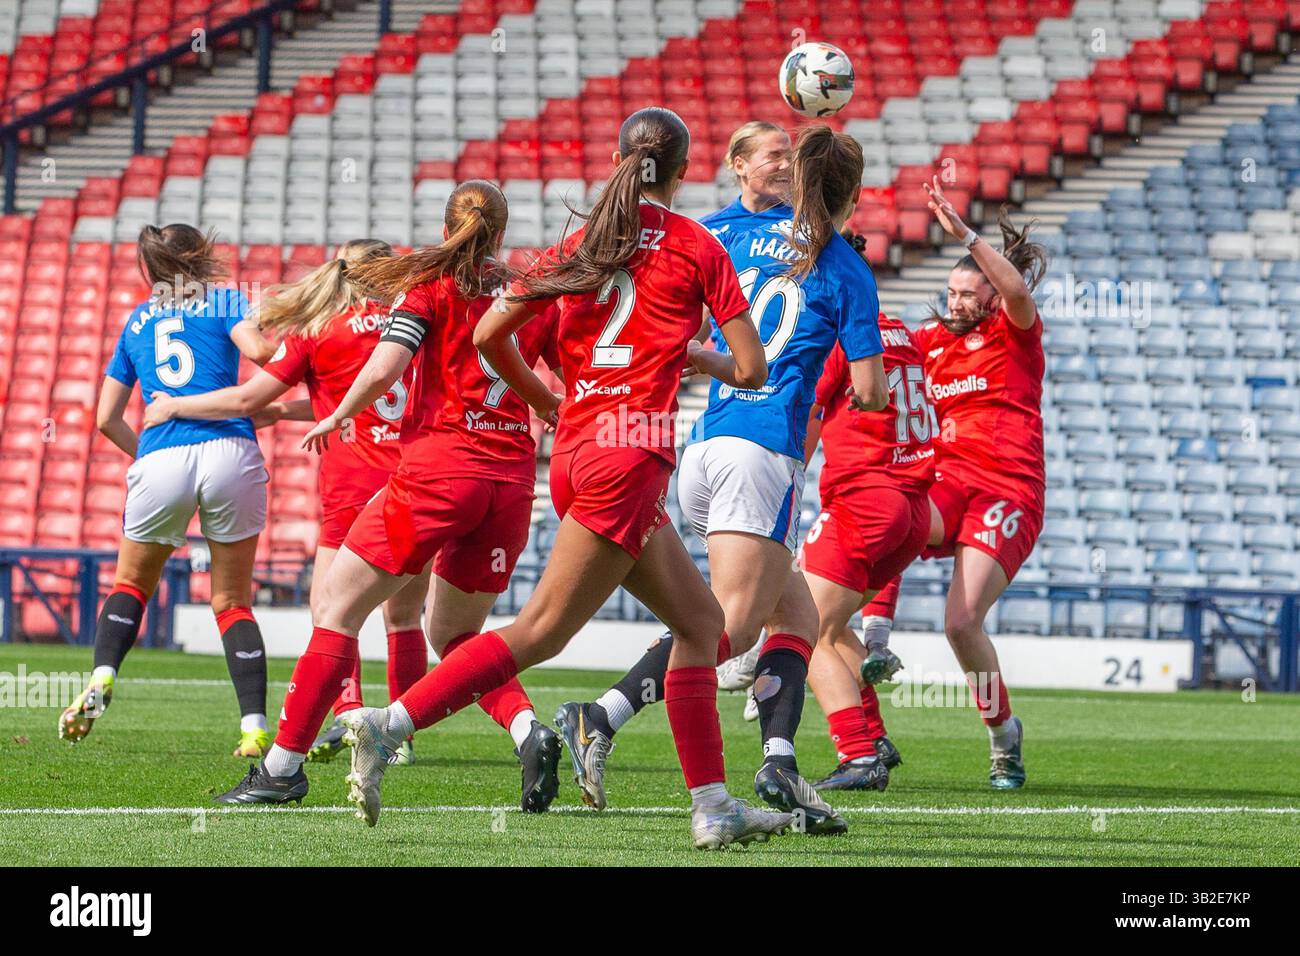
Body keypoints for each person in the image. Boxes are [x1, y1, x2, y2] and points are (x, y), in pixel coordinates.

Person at [330, 107, 795, 850]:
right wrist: (690, 356)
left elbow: (489, 337)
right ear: (681, 172)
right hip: (632, 452)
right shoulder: (696, 244)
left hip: (579, 450)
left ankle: (713, 806)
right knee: (541, 631)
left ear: (617, 158)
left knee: (702, 627)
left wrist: (549, 396)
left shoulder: (578, 246)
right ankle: (390, 726)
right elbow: (751, 368)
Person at [556, 124, 888, 834]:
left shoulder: (716, 233)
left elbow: (668, 314)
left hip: (700, 445)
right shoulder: (846, 265)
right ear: (851, 195)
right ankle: (602, 715)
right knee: (722, 628)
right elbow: (869, 393)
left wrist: (695, 357)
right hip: (762, 451)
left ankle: (779, 764)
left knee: (795, 618)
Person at [212, 181, 568, 813]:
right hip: (511, 485)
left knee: (335, 608)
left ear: (445, 225)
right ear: (504, 232)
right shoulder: (531, 294)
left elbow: (384, 367)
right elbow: (569, 381)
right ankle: (526, 729)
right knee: (456, 633)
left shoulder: (428, 285)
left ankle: (281, 768)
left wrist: (335, 414)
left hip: (439, 470)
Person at [142, 239, 432, 767]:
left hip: (353, 485)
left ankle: (350, 720)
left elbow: (251, 397)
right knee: (404, 617)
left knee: (331, 611)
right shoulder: (413, 321)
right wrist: (288, 414)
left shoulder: (319, 328)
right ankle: (400, 736)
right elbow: (358, 397)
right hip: (416, 479)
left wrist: (177, 405)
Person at [60, 224, 276, 757]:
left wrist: (153, 458)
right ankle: (252, 728)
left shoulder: (136, 319)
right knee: (231, 602)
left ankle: (104, 676)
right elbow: (264, 354)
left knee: (131, 584)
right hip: (230, 450)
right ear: (201, 256)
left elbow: (106, 418)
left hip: (161, 455)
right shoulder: (225, 300)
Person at [859, 186, 1049, 789]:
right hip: (948, 483)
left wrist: (967, 236)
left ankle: (1002, 734)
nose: (957, 301)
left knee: (961, 623)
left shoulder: (1014, 332)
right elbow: (883, 360)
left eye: (969, 293)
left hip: (1006, 491)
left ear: (992, 294)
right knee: (893, 509)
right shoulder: (932, 344)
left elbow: (1018, 291)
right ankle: (876, 640)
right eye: (951, 292)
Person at [798, 315, 935, 792]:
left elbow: (810, 411)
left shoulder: (840, 334)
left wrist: (787, 480)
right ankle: (874, 741)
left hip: (866, 500)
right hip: (913, 508)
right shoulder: (900, 331)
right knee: (830, 627)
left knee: (802, 629)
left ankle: (857, 754)